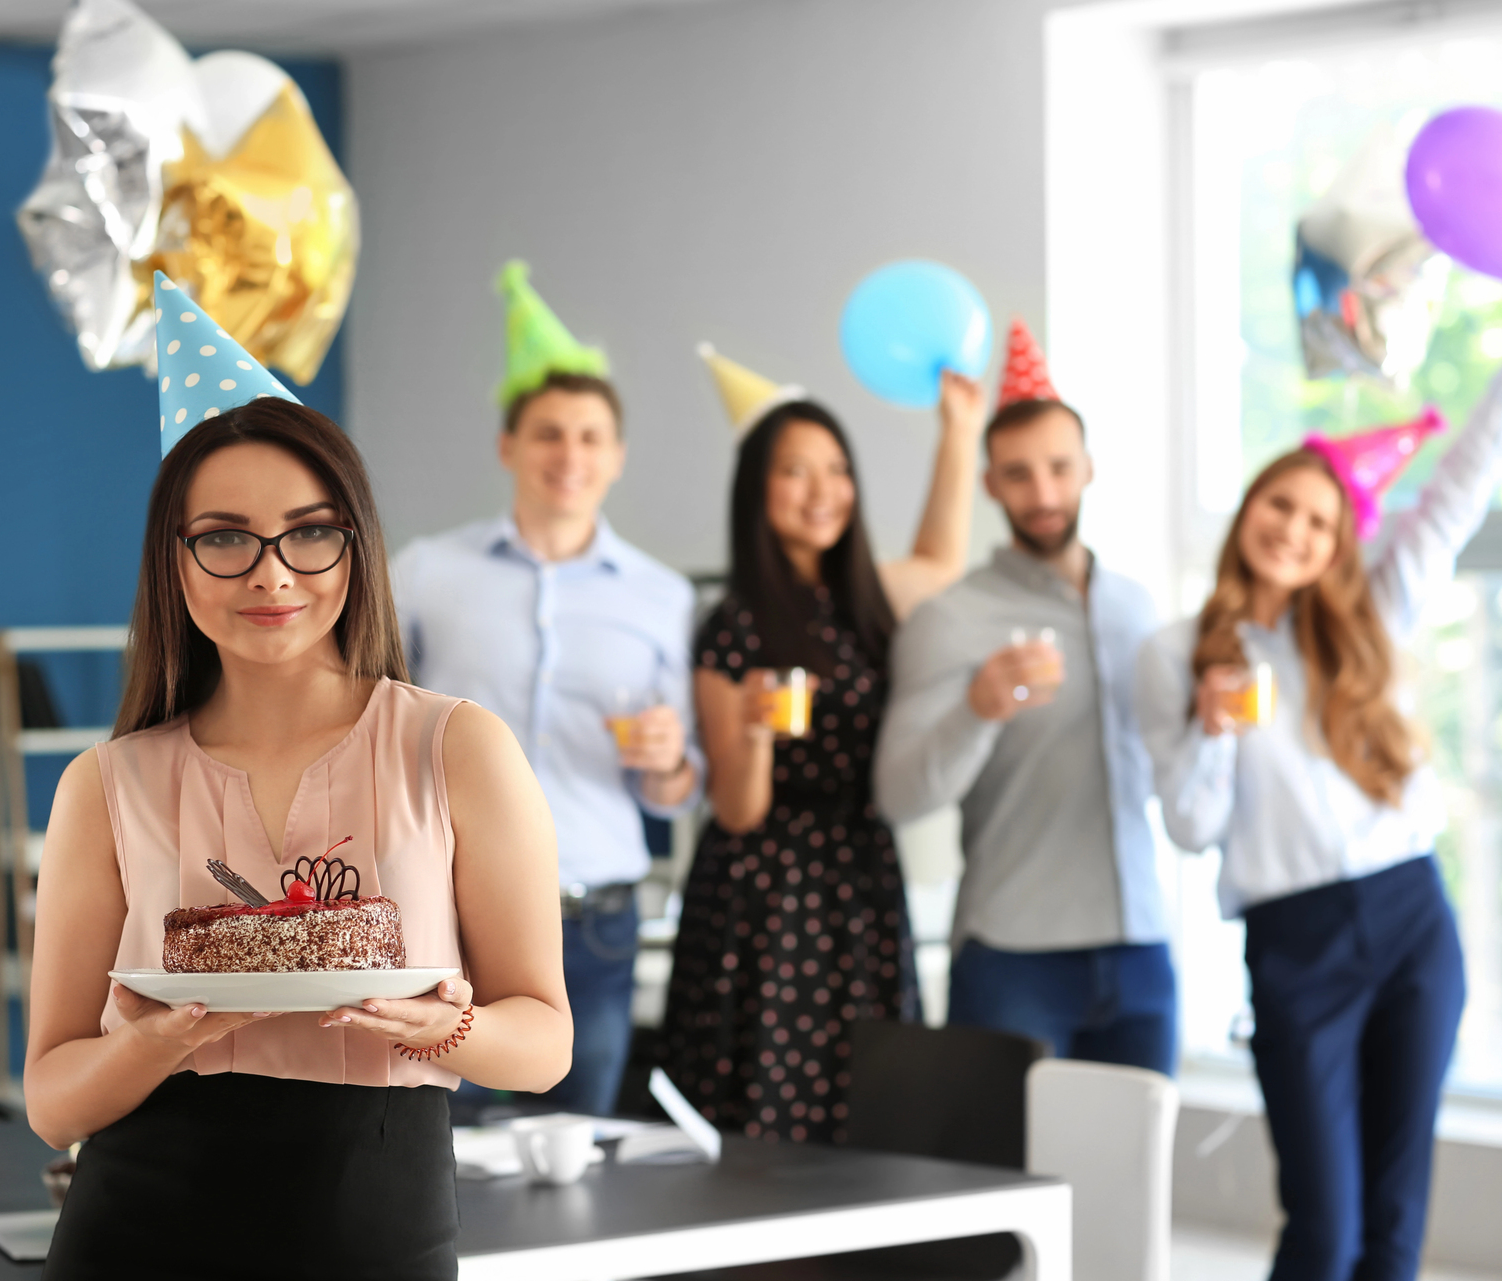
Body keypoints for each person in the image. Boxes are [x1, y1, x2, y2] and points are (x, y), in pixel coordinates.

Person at [27, 276, 570, 1281]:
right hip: (135, 1248)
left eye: (309, 532)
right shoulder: (106, 785)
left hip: (375, 1246)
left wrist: (441, 1028)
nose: (271, 574)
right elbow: (52, 1102)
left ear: (354, 543)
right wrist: (145, 1044)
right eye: (224, 537)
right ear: (173, 562)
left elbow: (543, 1041)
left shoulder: (456, 747)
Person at [1134, 292, 1502, 1281]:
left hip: (1408, 915)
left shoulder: (1367, 615)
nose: (1291, 530)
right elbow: (1191, 827)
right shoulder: (1172, 654)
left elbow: (1458, 491)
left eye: (1317, 520)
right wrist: (1209, 730)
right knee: (1322, 1221)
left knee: (1392, 1217)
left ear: (1341, 542)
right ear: (1245, 510)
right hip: (1292, 944)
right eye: (1277, 506)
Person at [394, 261, 701, 1128]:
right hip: (443, 912)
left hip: (593, 923)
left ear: (617, 456)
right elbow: (365, 719)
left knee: (570, 1177)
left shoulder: (663, 596)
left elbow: (679, 787)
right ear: (509, 447)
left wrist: (669, 759)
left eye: (590, 436)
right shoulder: (426, 571)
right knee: (433, 1157)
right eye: (549, 433)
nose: (570, 455)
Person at [659, 343, 981, 1143]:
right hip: (760, 895)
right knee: (762, 1106)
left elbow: (941, 559)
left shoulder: (871, 595)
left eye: (836, 469)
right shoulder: (730, 627)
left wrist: (960, 432)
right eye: (795, 470)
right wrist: (758, 733)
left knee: (865, 1103)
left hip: (861, 875)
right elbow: (736, 810)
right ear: (757, 488)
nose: (822, 491)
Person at [874, 318, 1170, 1073]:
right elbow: (898, 797)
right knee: (1008, 1184)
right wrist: (978, 707)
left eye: (1059, 468)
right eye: (1018, 473)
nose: (1042, 492)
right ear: (989, 484)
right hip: (1013, 957)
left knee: (1134, 1185)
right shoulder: (951, 618)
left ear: (1089, 469)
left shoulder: (1138, 609)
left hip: (1142, 951)